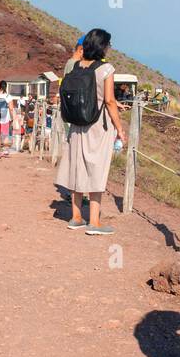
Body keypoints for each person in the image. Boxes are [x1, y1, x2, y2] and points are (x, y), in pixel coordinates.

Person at [54, 28, 125, 235]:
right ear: (102, 46)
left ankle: (76, 217)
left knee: (77, 167)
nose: (110, 48)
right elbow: (110, 101)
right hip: (97, 126)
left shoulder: (76, 66)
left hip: (77, 125)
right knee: (97, 169)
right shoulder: (106, 69)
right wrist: (120, 129)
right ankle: (94, 222)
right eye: (108, 44)